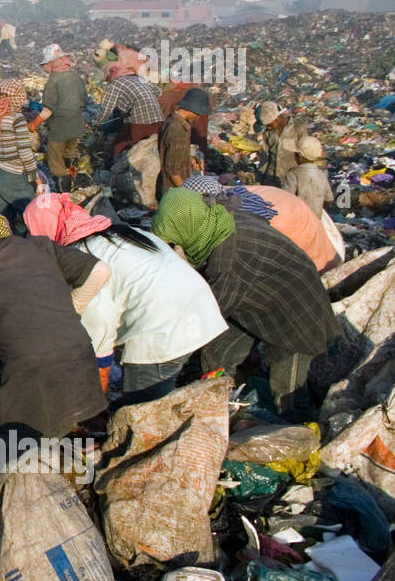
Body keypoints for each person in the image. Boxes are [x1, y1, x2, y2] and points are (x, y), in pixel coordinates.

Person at [0, 195, 111, 437]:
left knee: (9, 459)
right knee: (67, 447)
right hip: (82, 360)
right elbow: (100, 271)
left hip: (30, 377)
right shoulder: (36, 245)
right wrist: (71, 310)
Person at [23, 193, 227, 405]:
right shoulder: (124, 232)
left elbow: (99, 329)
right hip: (199, 310)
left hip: (163, 329)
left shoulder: (85, 257)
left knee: (142, 414)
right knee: (171, 397)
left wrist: (97, 401)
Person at [150, 189, 339, 418]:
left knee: (287, 390)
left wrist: (164, 340)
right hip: (256, 302)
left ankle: (295, 436)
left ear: (190, 225)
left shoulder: (228, 256)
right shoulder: (221, 221)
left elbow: (211, 311)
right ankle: (218, 409)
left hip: (296, 312)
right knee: (218, 355)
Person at [183, 175, 340, 272]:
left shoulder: (239, 217)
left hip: (289, 218)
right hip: (290, 208)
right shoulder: (224, 196)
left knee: (303, 266)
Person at [0, 79, 45, 233]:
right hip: (14, 179)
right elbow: (25, 153)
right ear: (18, 96)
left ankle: (8, 252)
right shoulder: (17, 119)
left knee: (5, 229)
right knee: (35, 218)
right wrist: (37, 179)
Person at [31, 44, 88, 192]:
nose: (45, 68)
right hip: (77, 124)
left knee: (55, 160)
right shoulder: (76, 77)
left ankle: (65, 194)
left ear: (51, 63)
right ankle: (73, 178)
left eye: (45, 64)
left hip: (60, 127)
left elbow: (47, 111)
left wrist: (33, 124)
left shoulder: (53, 81)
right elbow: (84, 100)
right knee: (71, 152)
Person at [96, 45, 164, 158]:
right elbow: (157, 91)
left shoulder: (117, 83)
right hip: (158, 119)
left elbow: (106, 109)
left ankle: (111, 169)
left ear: (112, 72)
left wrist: (98, 122)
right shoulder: (137, 77)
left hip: (140, 121)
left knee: (117, 146)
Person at [157, 88, 210, 199]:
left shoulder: (173, 120)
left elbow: (174, 153)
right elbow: (172, 170)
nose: (198, 117)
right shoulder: (177, 130)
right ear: (193, 110)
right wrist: (187, 194)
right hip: (173, 192)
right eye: (198, 114)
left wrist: (190, 160)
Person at [256, 101, 311, 187]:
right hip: (271, 178)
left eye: (269, 125)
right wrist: (260, 178)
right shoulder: (269, 132)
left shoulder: (297, 128)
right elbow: (265, 155)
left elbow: (305, 154)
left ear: (277, 119)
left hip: (291, 178)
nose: (267, 128)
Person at [283, 136, 334, 218]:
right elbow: (328, 198)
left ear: (299, 156)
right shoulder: (321, 174)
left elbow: (287, 197)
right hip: (316, 218)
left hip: (299, 217)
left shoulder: (293, 173)